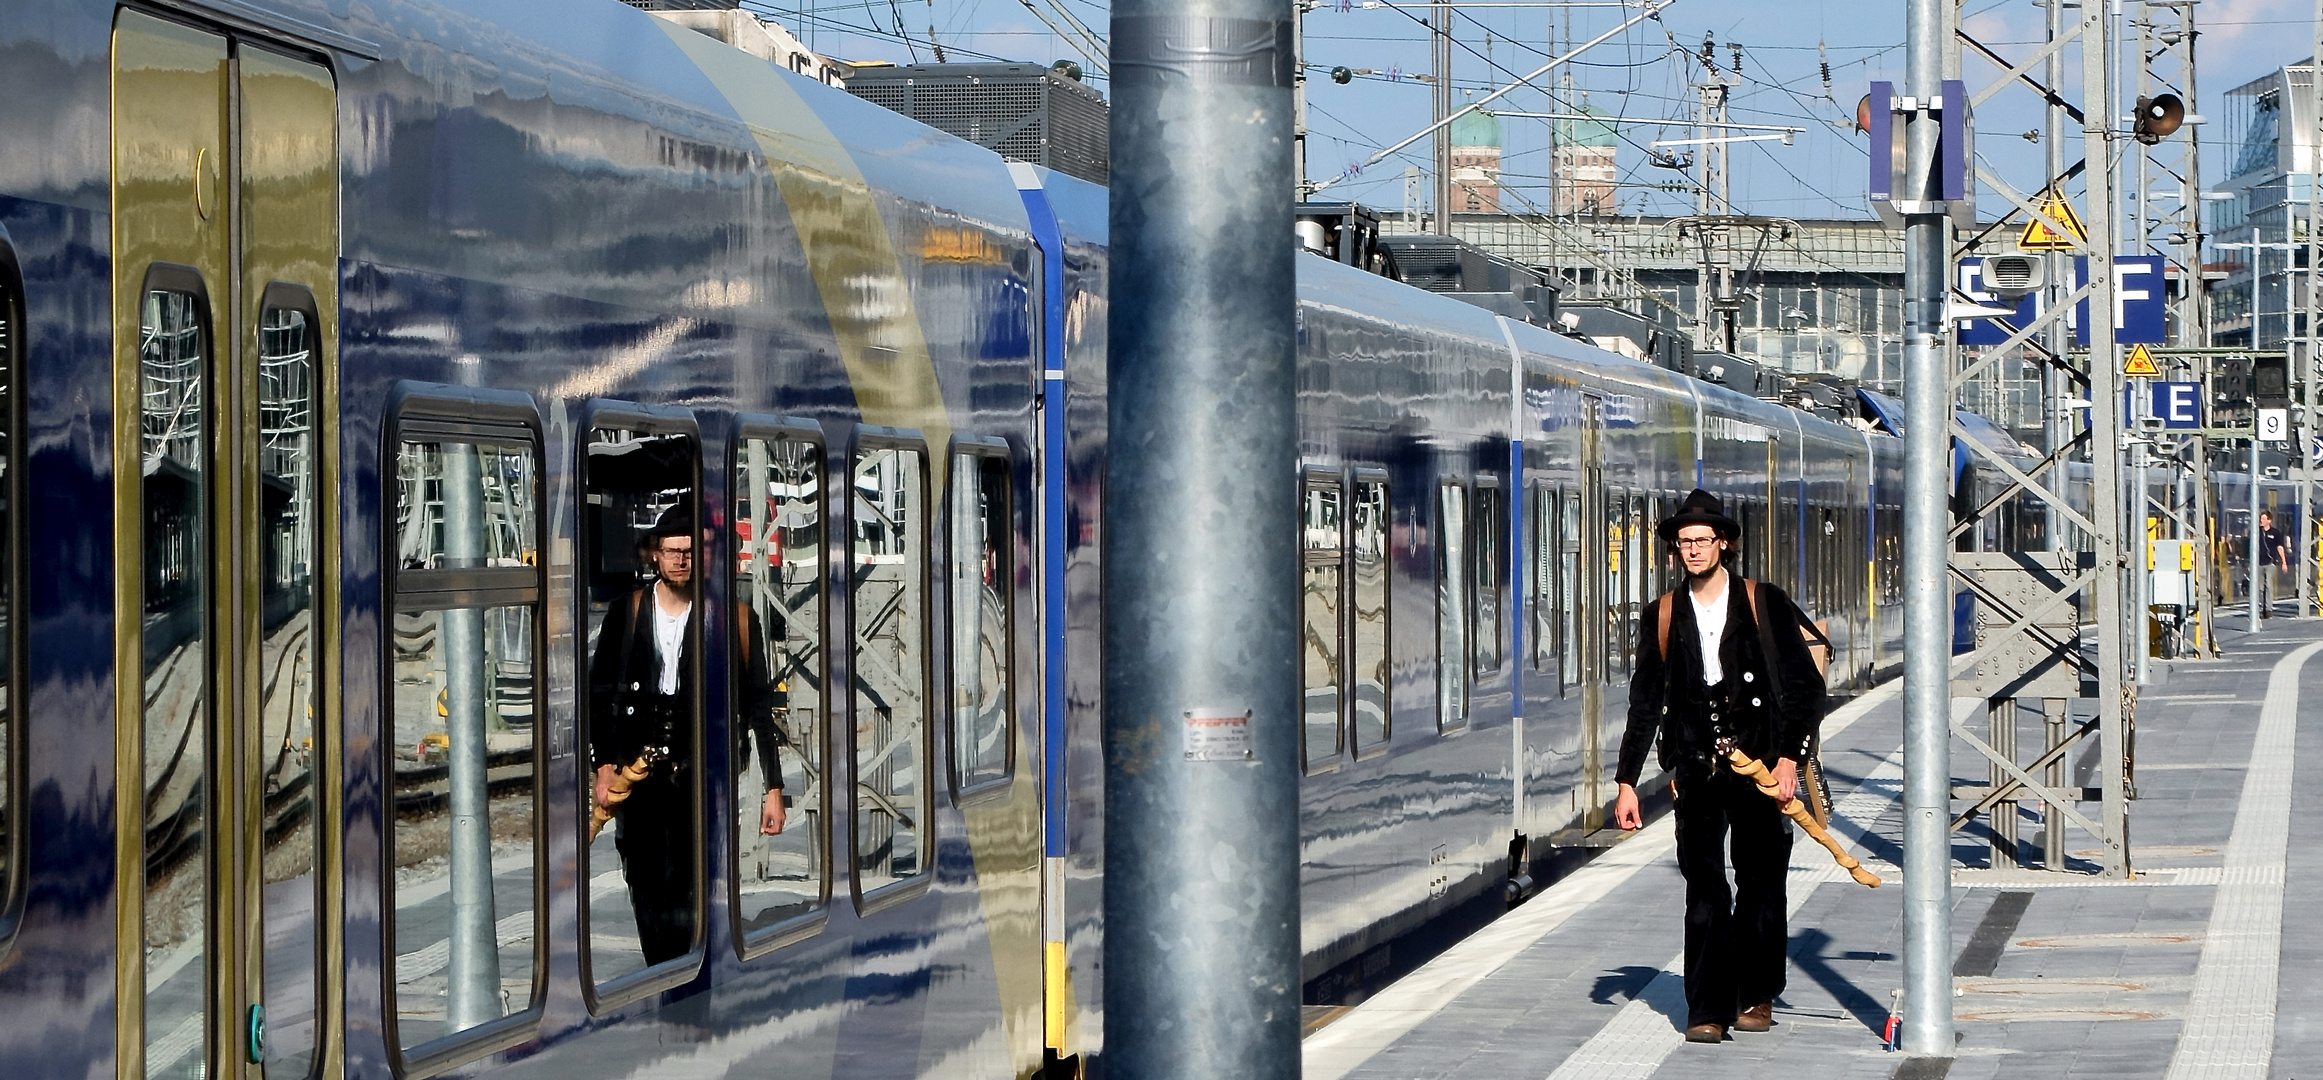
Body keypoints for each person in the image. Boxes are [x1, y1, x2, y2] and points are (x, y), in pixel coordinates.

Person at [1611, 489, 1825, 1045]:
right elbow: (1645, 701)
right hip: (1696, 769)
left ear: (1723, 544)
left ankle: (1754, 993)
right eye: (1684, 542)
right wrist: (1627, 781)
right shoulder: (1662, 615)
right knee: (1704, 889)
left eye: (1702, 540)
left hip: (1759, 765)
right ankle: (1706, 1007)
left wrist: (1788, 759)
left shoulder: (1763, 602)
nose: (1693, 550)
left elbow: (1806, 686)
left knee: (1759, 882)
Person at [588, 506, 783, 965]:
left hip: (702, 779)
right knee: (645, 883)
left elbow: (758, 704)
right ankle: (663, 974)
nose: (681, 560)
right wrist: (602, 767)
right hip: (639, 779)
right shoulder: (627, 612)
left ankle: (687, 985)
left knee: (692, 889)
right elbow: (598, 697)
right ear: (655, 555)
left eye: (691, 552)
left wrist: (773, 789)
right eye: (672, 551)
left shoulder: (733, 618)